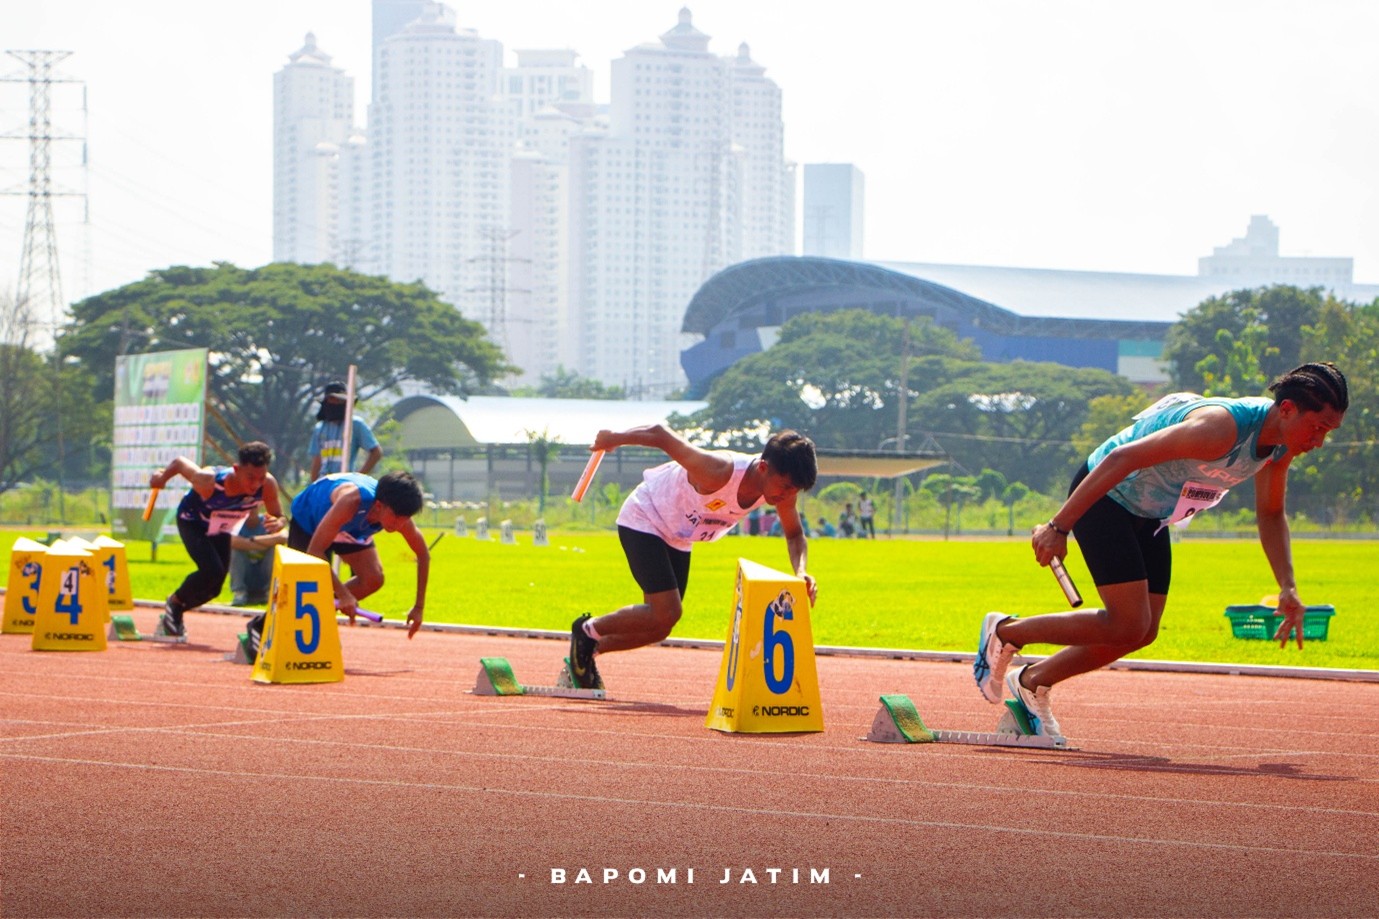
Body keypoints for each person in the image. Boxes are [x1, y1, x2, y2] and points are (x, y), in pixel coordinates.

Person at [973, 362, 1348, 739]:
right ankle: (1006, 631)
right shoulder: (1221, 429)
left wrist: (1288, 586)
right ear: (1286, 409)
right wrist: (1059, 526)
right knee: (1127, 622)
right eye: (1317, 428)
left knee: (1143, 630)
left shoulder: (1279, 448)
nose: (1318, 442)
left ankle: (1034, 679)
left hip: (1153, 513)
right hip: (1107, 494)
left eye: (1328, 433)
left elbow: (1270, 512)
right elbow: (1120, 459)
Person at [567, 426, 818, 689]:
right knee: (667, 611)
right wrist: (614, 438)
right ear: (764, 468)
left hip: (679, 536)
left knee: (662, 626)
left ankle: (589, 648)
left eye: (795, 491)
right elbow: (661, 434)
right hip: (646, 517)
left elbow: (794, 535)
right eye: (786, 487)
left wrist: (800, 572)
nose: (787, 497)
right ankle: (585, 629)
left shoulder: (780, 491)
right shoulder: (718, 471)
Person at [246, 470, 430, 660]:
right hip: (310, 521)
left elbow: (423, 554)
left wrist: (419, 607)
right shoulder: (350, 501)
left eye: (405, 518)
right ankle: (260, 625)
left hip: (350, 528)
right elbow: (314, 552)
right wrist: (343, 594)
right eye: (396, 517)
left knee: (373, 578)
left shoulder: (400, 518)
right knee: (303, 584)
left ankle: (315, 618)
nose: (399, 524)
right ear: (379, 505)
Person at [149, 442, 285, 638]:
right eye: (250, 478)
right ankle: (175, 604)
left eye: (261, 478)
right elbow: (179, 463)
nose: (255, 484)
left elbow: (279, 515)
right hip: (193, 522)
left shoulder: (267, 485)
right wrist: (161, 478)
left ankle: (177, 607)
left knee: (214, 589)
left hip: (222, 527)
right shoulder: (209, 481)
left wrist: (278, 522)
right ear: (236, 469)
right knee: (212, 570)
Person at [308, 380, 383, 481]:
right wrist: (313, 487)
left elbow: (376, 452)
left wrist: (358, 477)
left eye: (339, 400)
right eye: (331, 399)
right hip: (324, 481)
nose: (335, 403)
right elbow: (317, 461)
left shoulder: (355, 424)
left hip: (345, 481)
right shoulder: (320, 428)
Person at [227, 515, 287, 606]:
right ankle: (239, 593)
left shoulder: (267, 521)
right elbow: (232, 541)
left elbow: (283, 537)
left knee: (275, 549)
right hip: (246, 573)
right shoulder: (235, 523)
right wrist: (265, 543)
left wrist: (253, 539)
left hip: (264, 573)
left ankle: (270, 592)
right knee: (234, 551)